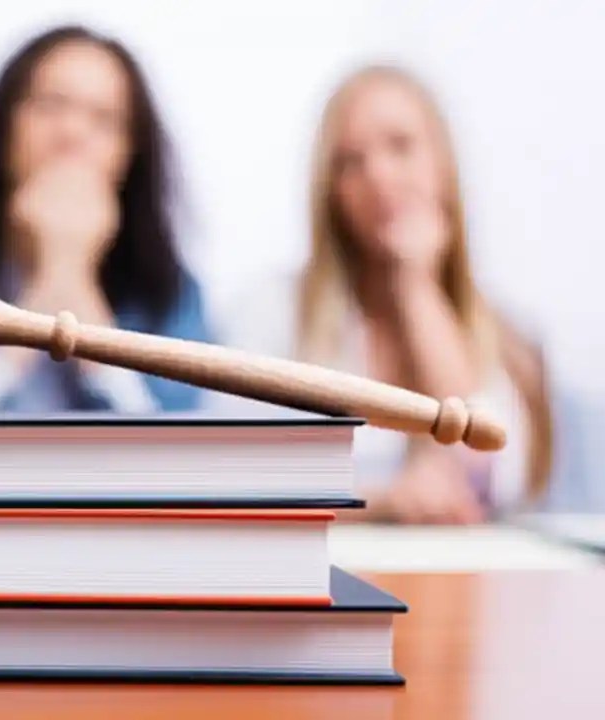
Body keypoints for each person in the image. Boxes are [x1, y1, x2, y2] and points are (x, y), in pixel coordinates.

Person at [215, 65, 553, 524]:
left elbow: (490, 474)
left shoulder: (503, 332)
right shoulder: (272, 312)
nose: (378, 174)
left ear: (442, 164)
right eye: (350, 161)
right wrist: (381, 501)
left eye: (400, 146)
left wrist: (415, 284)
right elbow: (233, 477)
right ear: (330, 191)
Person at [0, 25, 213, 413]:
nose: (72, 133)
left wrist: (72, 277)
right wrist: (40, 297)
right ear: (5, 125)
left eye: (103, 118)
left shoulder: (173, 297)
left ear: (130, 154)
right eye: (51, 105)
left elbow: (174, 455)